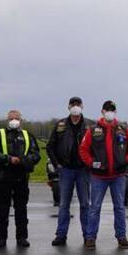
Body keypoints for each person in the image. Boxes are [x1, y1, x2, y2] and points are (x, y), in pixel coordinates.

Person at [78, 100, 128, 249]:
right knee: (95, 208)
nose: (109, 112)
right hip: (98, 177)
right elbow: (83, 150)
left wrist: (127, 161)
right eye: (107, 109)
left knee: (119, 207)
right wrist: (91, 163)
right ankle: (90, 237)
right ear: (102, 111)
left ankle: (121, 236)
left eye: (112, 109)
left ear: (115, 112)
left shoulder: (124, 129)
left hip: (118, 176)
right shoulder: (92, 130)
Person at [0, 109, 40, 248]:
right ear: (7, 120)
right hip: (3, 176)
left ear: (21, 120)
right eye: (11, 118)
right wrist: (8, 159)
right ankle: (1, 238)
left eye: (16, 118)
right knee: (2, 210)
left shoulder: (28, 135)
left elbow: (36, 154)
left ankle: (22, 237)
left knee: (21, 209)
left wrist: (22, 160)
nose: (14, 121)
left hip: (21, 177)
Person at [46, 96, 90, 246]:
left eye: (78, 104)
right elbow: (50, 147)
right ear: (68, 107)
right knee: (64, 204)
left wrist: (90, 164)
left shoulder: (89, 126)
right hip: (66, 170)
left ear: (82, 106)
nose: (75, 106)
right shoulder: (60, 125)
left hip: (83, 170)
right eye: (73, 104)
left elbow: (96, 148)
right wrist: (57, 164)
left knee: (85, 204)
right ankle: (61, 235)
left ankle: (88, 235)